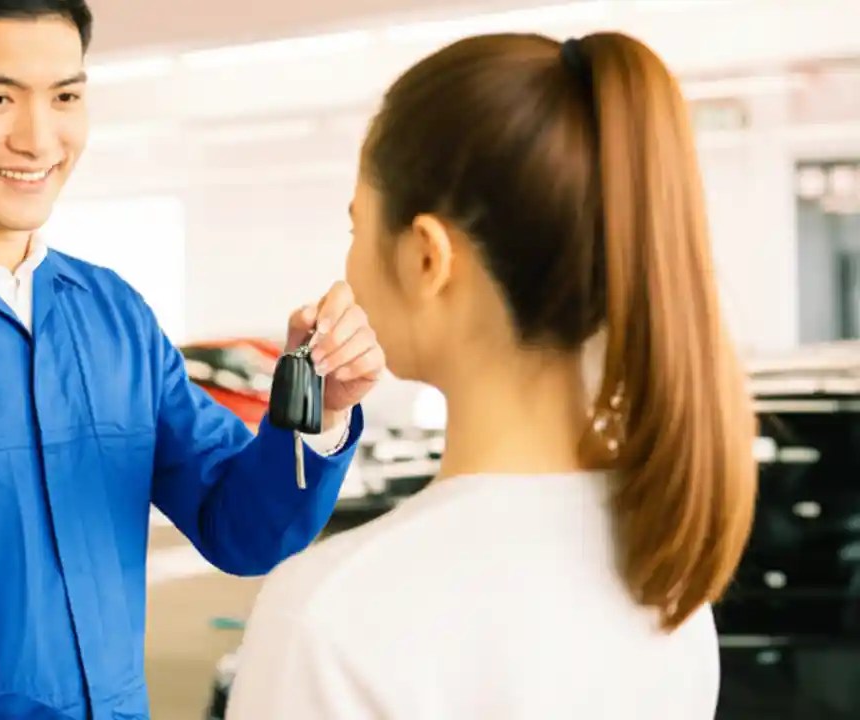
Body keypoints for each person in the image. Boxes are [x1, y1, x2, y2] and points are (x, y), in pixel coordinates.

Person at [0, 1, 385, 718]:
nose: (38, 138)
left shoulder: (112, 315)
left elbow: (240, 528)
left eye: (66, 97)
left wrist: (320, 413)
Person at [225, 32, 758, 719]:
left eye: (357, 227)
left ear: (427, 258)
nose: (349, 264)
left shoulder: (332, 615)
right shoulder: (669, 580)